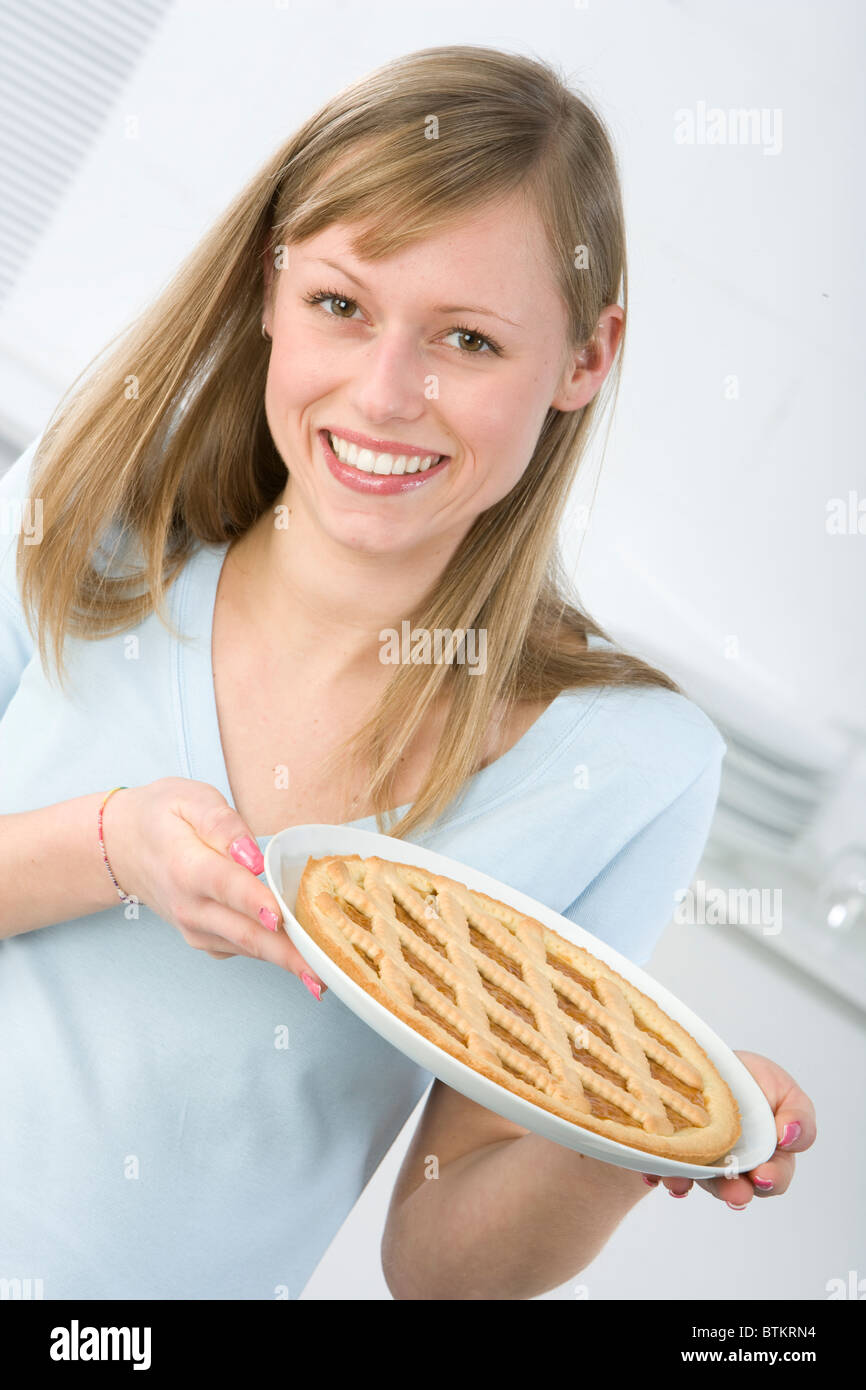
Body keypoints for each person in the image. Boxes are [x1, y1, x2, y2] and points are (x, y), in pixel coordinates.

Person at [0, 44, 814, 1301]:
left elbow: (437, 1270)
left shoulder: (625, 763)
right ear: (272, 288)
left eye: (468, 339)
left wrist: (637, 1132)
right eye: (339, 305)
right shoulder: (94, 508)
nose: (384, 394)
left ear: (585, 360)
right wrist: (110, 846)